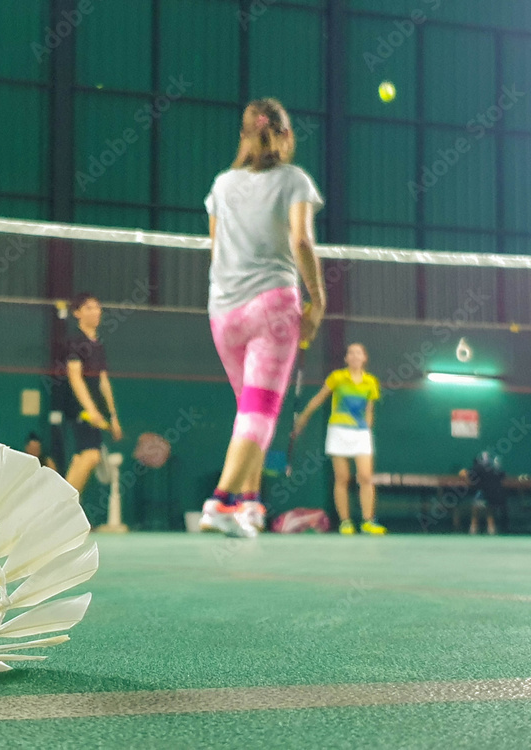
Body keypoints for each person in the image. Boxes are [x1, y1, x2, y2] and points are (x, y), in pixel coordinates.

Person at [200, 97, 327, 538]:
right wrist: (319, 300)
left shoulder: (221, 185)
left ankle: (248, 505)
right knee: (259, 413)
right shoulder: (294, 181)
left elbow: (216, 248)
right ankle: (220, 502)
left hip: (223, 312)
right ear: (286, 136)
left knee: (249, 410)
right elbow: (302, 243)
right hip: (272, 308)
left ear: (244, 135)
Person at [293, 343, 386, 535]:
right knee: (342, 478)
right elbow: (320, 398)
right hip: (338, 430)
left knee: (366, 477)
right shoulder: (337, 378)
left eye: (358, 352)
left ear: (364, 358)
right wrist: (303, 417)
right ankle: (345, 522)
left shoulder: (371, 382)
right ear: (346, 359)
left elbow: (370, 408)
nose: (354, 356)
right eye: (350, 353)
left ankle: (368, 521)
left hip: (361, 433)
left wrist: (367, 425)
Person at [62, 293, 123, 495]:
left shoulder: (98, 345)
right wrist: (90, 410)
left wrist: (112, 416)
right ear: (77, 313)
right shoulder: (75, 342)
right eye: (89, 308)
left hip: (96, 412)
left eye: (97, 307)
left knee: (82, 457)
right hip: (81, 409)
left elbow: (104, 382)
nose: (95, 311)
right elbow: (75, 377)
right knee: (91, 456)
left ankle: (61, 508)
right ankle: (64, 506)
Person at [460, 451, 506, 535]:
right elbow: (502, 476)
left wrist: (465, 476)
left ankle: (474, 527)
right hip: (496, 495)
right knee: (487, 506)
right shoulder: (495, 469)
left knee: (478, 504)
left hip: (487, 495)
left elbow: (470, 480)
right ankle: (490, 528)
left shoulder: (478, 468)